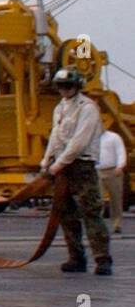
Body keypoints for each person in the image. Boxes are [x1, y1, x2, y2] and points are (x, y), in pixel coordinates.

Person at [42, 68, 113, 275]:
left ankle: (102, 259)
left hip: (81, 165)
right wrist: (46, 159)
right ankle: (76, 257)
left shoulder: (88, 107)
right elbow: (56, 136)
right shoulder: (60, 108)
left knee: (90, 212)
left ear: (77, 86)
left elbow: (80, 142)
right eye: (61, 86)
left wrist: (59, 163)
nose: (64, 90)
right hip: (62, 167)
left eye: (68, 86)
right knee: (66, 213)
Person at [98, 127, 127, 235]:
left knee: (116, 199)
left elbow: (121, 152)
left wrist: (120, 166)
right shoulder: (90, 138)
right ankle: (98, 225)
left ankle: (117, 224)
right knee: (97, 199)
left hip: (113, 170)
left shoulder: (114, 137)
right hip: (97, 171)